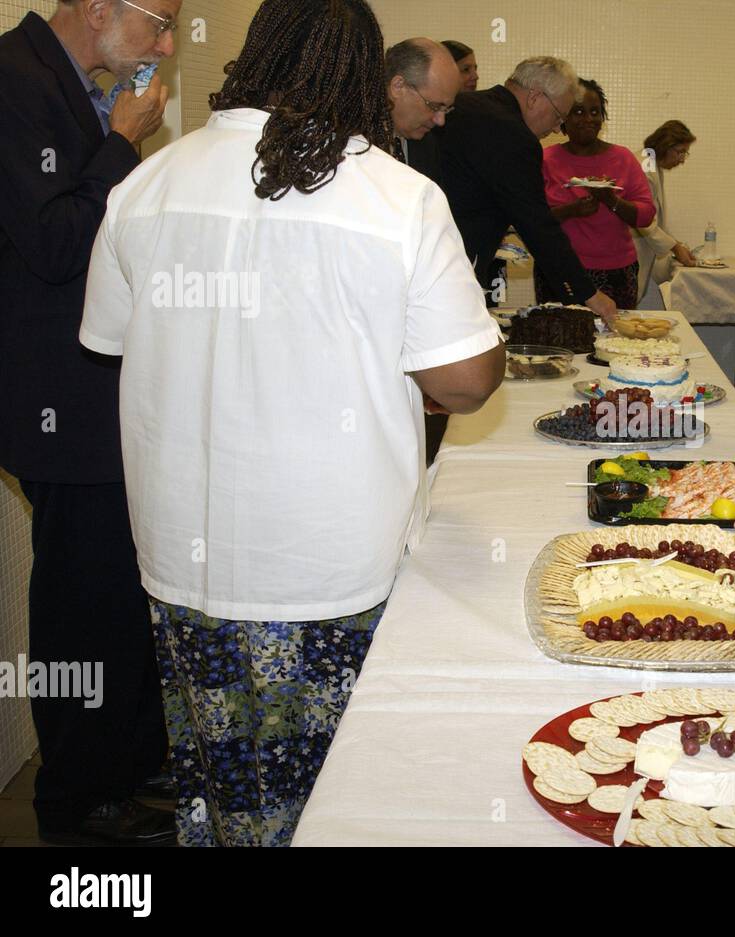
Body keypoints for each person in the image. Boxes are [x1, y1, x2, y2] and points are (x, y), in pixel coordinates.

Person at [79, 0, 504, 846]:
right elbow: (460, 381)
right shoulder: (397, 195)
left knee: (218, 777)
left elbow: (112, 339)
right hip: (325, 564)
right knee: (336, 796)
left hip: (183, 555)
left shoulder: (146, 180)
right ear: (362, 74)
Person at [0, 0, 179, 847]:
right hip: (54, 399)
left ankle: (133, 765)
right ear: (103, 7)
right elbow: (54, 243)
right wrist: (121, 142)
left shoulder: (71, 83)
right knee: (82, 600)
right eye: (163, 21)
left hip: (98, 393)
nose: (170, 44)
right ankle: (77, 803)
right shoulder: (13, 79)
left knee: (119, 590)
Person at [416, 56, 617, 321]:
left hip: (419, 253)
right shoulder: (514, 136)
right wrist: (587, 293)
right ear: (535, 97)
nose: (558, 129)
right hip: (452, 263)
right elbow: (536, 223)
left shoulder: (463, 103)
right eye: (559, 117)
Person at [535, 79, 656, 311]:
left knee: (615, 343)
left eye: (595, 112)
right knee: (560, 343)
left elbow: (645, 216)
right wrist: (572, 210)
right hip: (559, 271)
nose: (588, 119)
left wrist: (611, 201)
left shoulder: (623, 158)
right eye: (578, 111)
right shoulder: (544, 159)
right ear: (562, 119)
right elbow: (532, 218)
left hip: (617, 272)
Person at [634, 120, 697, 309]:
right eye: (680, 152)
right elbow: (644, 222)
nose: (682, 159)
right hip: (627, 252)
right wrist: (675, 247)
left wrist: (675, 244)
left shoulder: (652, 165)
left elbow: (655, 220)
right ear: (666, 146)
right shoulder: (644, 167)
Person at [384, 38, 459, 165]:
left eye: (446, 109)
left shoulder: (428, 147)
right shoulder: (351, 142)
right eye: (434, 106)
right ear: (398, 87)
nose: (440, 121)